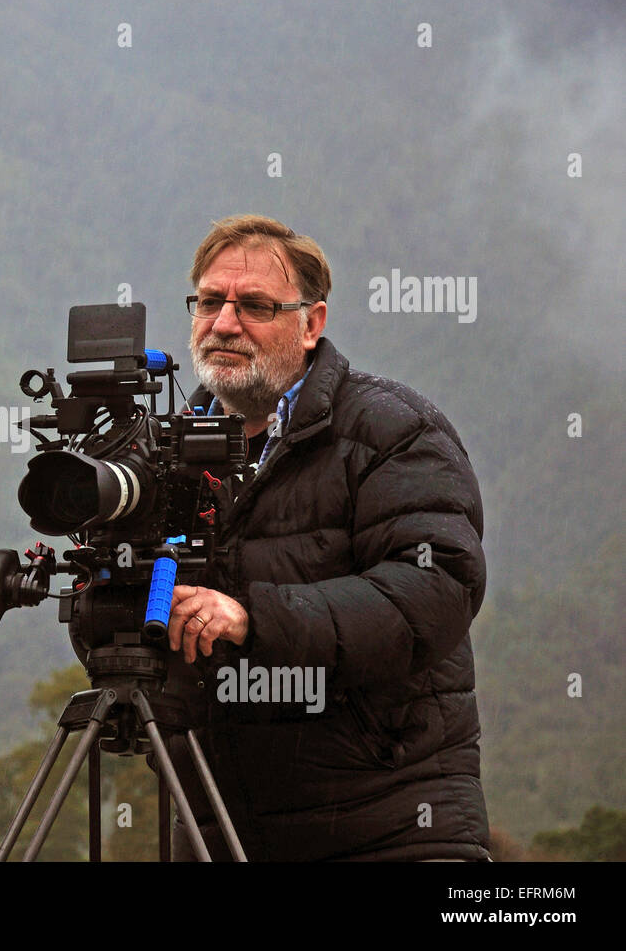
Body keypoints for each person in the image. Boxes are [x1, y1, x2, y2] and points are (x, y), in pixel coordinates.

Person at [164, 214, 489, 860]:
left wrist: (254, 617)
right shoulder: (162, 456)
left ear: (312, 324)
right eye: (209, 302)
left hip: (388, 827)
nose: (224, 323)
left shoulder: (393, 431)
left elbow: (436, 589)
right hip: (216, 831)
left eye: (255, 305)